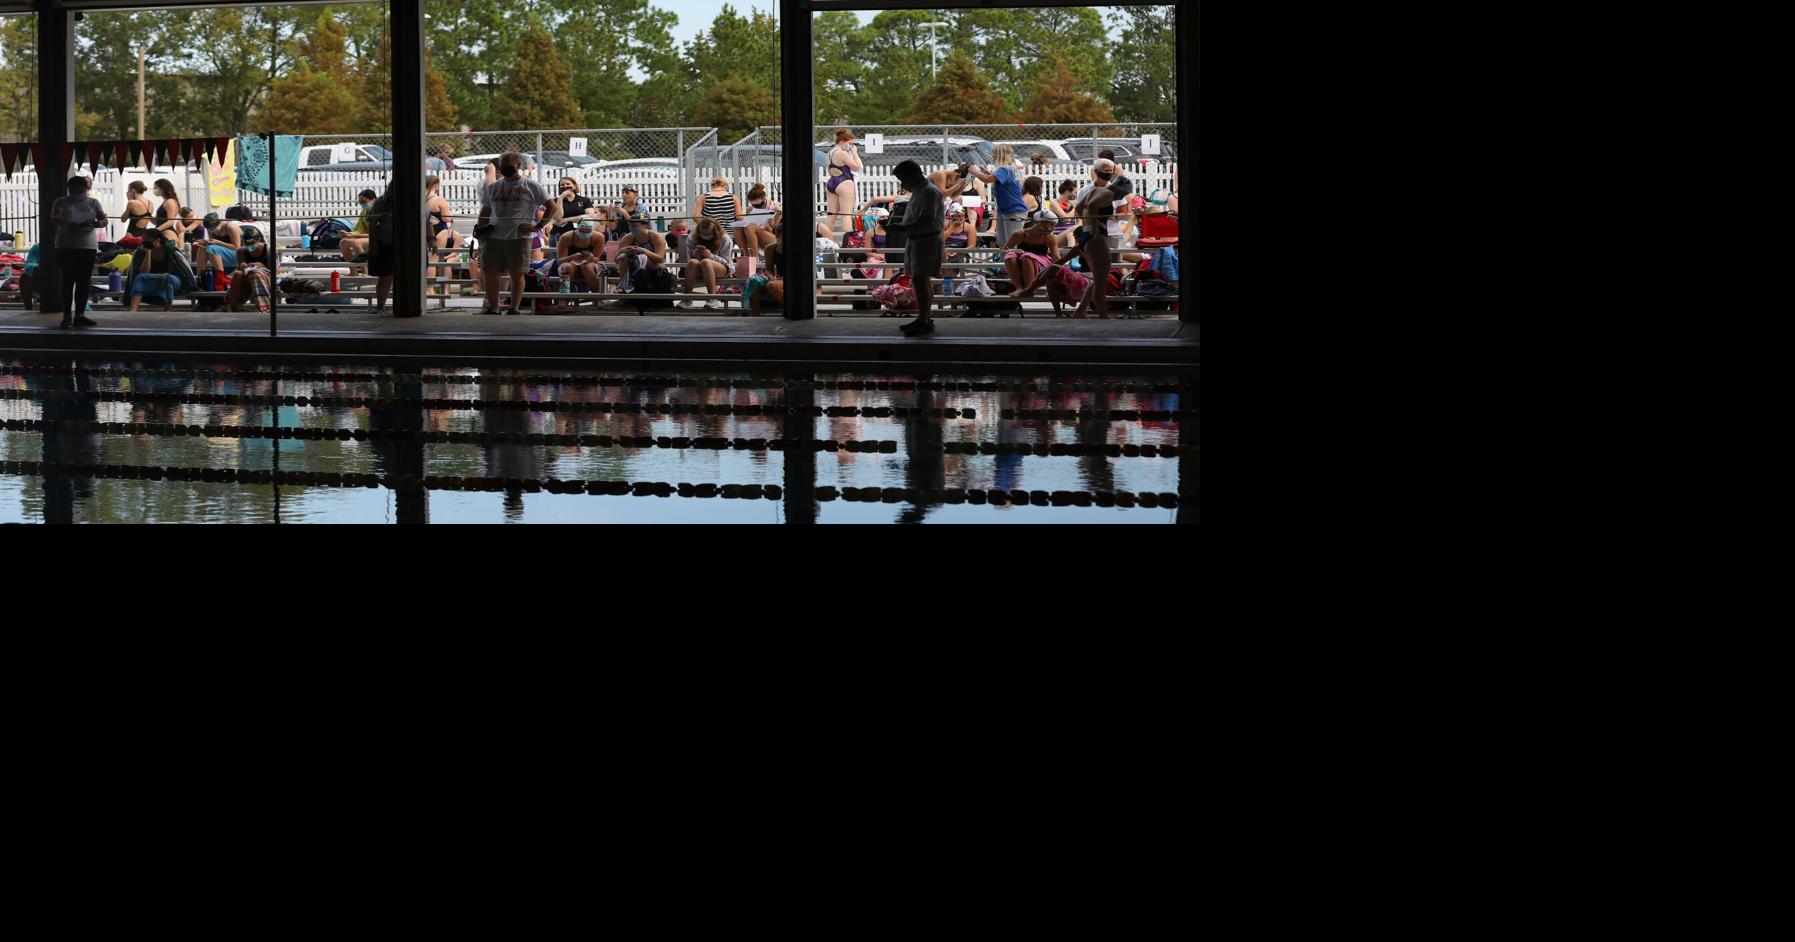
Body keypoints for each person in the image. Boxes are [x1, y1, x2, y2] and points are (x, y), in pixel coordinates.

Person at [473, 151, 559, 316]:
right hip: (493, 236)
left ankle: (514, 308)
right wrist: (480, 230)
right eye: (502, 166)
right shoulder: (493, 187)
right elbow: (485, 210)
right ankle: (493, 307)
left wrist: (537, 226)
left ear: (518, 166)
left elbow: (551, 206)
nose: (505, 169)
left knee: (517, 273)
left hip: (518, 237)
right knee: (490, 272)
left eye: (508, 166)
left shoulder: (530, 185)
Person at [880, 160, 943, 337]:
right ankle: (923, 318)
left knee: (920, 281)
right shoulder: (920, 191)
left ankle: (924, 320)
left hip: (926, 239)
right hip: (918, 239)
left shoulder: (929, 192)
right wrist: (901, 226)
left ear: (913, 175)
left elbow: (925, 219)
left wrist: (900, 228)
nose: (902, 183)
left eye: (903, 179)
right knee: (920, 281)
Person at [49, 175, 108, 328]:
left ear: (85, 189)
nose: (77, 192)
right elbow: (54, 218)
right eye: (74, 189)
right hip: (66, 245)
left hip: (86, 245)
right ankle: (67, 315)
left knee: (83, 281)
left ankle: (79, 315)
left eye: (80, 189)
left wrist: (98, 223)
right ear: (69, 189)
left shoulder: (93, 202)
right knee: (68, 281)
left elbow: (103, 220)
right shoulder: (61, 201)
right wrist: (70, 222)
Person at [612, 211, 672, 299]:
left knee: (641, 257)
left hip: (655, 266)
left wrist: (644, 251)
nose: (631, 228)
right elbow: (616, 260)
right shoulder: (628, 237)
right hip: (633, 267)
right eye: (630, 225)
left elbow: (660, 259)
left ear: (645, 225)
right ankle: (623, 286)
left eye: (635, 225)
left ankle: (636, 284)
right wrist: (622, 250)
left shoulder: (656, 237)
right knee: (624, 257)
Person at [1001, 211, 1059, 301]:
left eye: (1053, 226)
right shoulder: (1020, 234)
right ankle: (1019, 288)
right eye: (1049, 225)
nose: (1050, 229)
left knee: (1027, 257)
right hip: (1023, 260)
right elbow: (1003, 251)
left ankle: (1029, 289)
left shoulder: (1050, 238)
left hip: (1040, 262)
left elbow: (1056, 258)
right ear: (1039, 222)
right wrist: (1012, 250)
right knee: (1011, 255)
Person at [678, 216, 733, 310]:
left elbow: (726, 261)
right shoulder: (692, 237)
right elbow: (689, 259)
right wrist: (694, 254)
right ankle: (687, 299)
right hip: (700, 267)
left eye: (708, 234)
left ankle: (712, 298)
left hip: (722, 268)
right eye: (703, 234)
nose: (706, 236)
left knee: (706, 262)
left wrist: (711, 256)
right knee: (692, 262)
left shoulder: (725, 238)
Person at [364, 183, 400, 314]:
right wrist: (373, 244)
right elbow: (372, 224)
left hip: (404, 245)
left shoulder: (415, 200)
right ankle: (380, 306)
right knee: (385, 277)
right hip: (385, 243)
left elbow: (427, 220)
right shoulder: (381, 202)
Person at [127, 230, 180, 313]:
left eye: (147, 240)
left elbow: (174, 270)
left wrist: (161, 275)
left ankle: (168, 309)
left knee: (166, 278)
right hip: (151, 278)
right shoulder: (141, 252)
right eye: (143, 240)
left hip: (172, 279)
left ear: (157, 240)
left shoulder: (169, 250)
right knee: (139, 277)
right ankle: (133, 310)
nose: (144, 242)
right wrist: (148, 251)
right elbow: (144, 272)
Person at [425, 175, 463, 290]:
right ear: (436, 185)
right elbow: (447, 218)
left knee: (427, 258)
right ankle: (431, 289)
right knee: (433, 259)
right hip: (439, 230)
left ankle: (428, 289)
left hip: (426, 230)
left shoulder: (422, 198)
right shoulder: (439, 199)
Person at [824, 129, 861, 239]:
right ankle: (849, 243)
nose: (850, 146)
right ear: (842, 141)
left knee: (831, 215)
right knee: (846, 215)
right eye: (850, 143)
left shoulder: (829, 153)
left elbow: (829, 171)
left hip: (832, 182)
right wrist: (854, 153)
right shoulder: (842, 153)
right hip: (844, 182)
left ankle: (826, 241)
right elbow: (857, 167)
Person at [555, 218, 607, 295]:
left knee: (586, 266)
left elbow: (596, 260)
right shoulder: (567, 237)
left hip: (589, 267)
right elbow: (559, 261)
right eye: (582, 231)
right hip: (571, 266)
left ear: (592, 230)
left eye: (588, 231)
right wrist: (572, 257)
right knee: (565, 267)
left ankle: (597, 297)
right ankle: (564, 298)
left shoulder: (598, 237)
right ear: (577, 228)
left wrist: (591, 258)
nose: (585, 234)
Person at [192, 212, 243, 278]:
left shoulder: (231, 227)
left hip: (238, 254)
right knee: (202, 249)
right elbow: (212, 243)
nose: (212, 231)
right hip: (221, 253)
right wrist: (204, 242)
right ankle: (201, 277)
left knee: (212, 248)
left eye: (213, 228)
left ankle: (220, 278)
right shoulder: (210, 229)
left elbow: (237, 247)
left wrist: (218, 242)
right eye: (210, 229)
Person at [734, 183, 780, 253]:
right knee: (738, 227)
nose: (757, 207)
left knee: (749, 227)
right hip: (754, 235)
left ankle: (754, 257)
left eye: (759, 205)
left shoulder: (775, 208)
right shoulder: (750, 209)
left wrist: (771, 224)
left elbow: (777, 232)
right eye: (754, 205)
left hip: (773, 236)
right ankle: (746, 255)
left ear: (764, 199)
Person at [337, 189, 377, 261]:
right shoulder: (364, 213)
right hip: (367, 238)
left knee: (357, 243)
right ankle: (353, 271)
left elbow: (376, 235)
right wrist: (348, 234)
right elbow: (359, 230)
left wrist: (353, 236)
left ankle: (366, 271)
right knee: (344, 242)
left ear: (373, 200)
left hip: (377, 239)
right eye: (360, 203)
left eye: (364, 202)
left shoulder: (378, 213)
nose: (362, 205)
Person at [150, 179, 183, 246]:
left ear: (163, 188)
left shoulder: (170, 202)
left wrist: (156, 230)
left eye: (156, 188)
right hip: (161, 232)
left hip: (168, 233)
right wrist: (147, 214)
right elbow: (155, 221)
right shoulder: (165, 202)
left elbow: (171, 221)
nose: (154, 190)